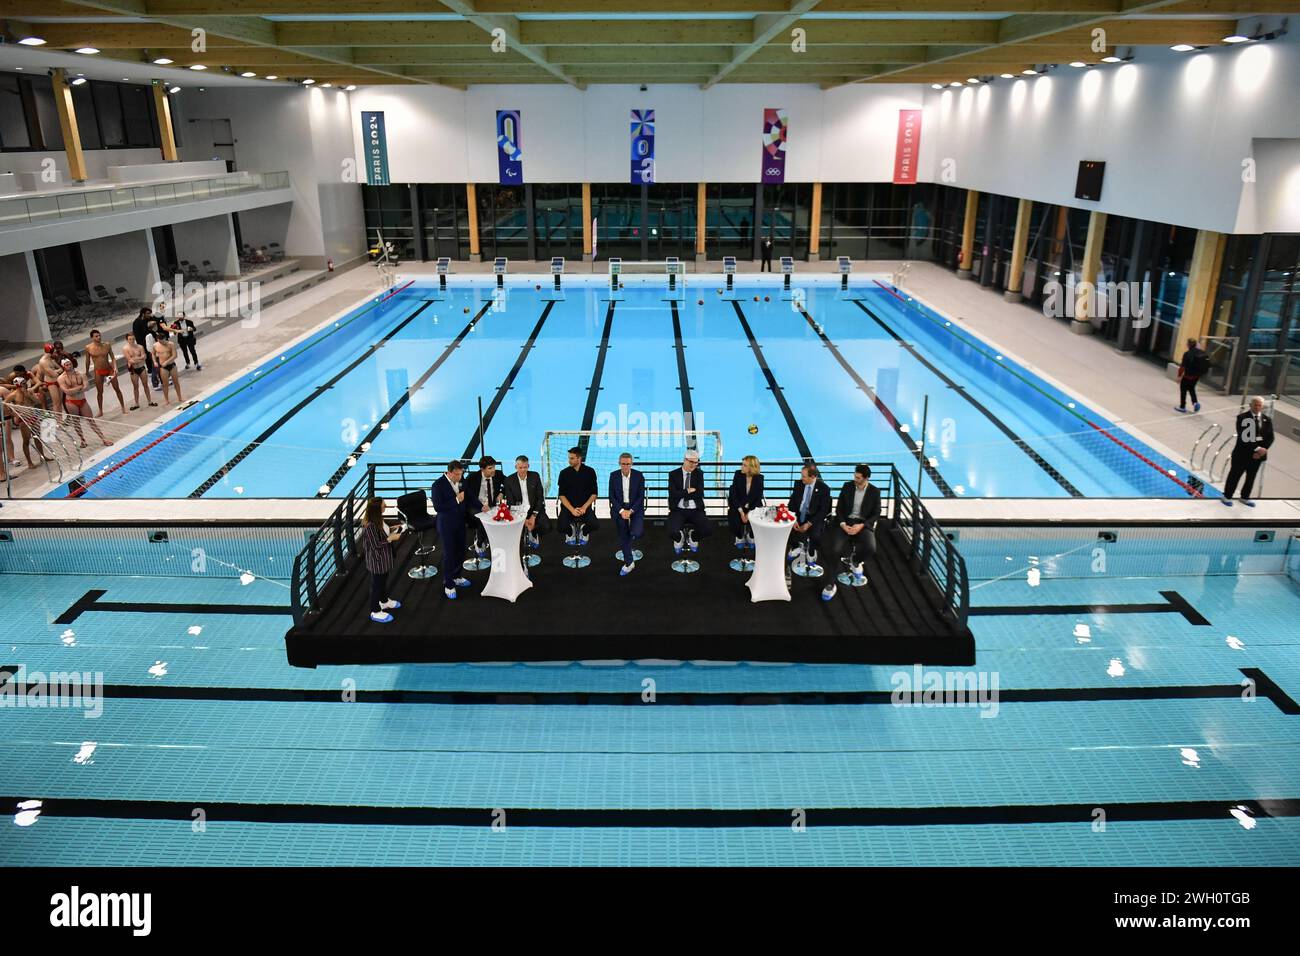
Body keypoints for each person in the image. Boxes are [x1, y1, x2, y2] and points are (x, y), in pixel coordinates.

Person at [821, 464, 881, 601]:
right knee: (834, 550)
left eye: (858, 477)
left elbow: (876, 513)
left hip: (862, 524)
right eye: (854, 476)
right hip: (844, 522)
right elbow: (839, 509)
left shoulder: (875, 492)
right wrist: (843, 524)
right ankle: (830, 584)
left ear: (866, 478)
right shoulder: (847, 486)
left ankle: (855, 560)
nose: (855, 479)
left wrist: (862, 525)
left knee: (871, 548)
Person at [1221, 396, 1274, 507]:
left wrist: (1263, 450)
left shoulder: (1267, 420)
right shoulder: (1242, 418)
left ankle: (1245, 497)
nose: (1257, 407)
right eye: (1255, 404)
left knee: (1251, 478)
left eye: (1259, 405)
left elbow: (1270, 437)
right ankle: (1227, 496)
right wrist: (1257, 449)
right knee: (1235, 476)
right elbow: (1244, 437)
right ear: (1250, 405)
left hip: (1258, 457)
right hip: (1242, 454)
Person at [431, 459, 472, 598]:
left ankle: (457, 576)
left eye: (461, 474)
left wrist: (481, 506)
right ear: (449, 472)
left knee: (461, 551)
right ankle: (449, 584)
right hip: (446, 525)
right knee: (449, 554)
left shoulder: (461, 480)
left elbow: (469, 495)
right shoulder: (437, 485)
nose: (460, 477)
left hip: (460, 522)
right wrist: (456, 500)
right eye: (457, 474)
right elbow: (438, 507)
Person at [360, 496, 403, 623]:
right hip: (377, 561)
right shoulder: (370, 526)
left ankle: (383, 601)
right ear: (377, 508)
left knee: (383, 581)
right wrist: (391, 539)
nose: (386, 506)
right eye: (383, 505)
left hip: (384, 559)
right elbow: (376, 545)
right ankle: (375, 611)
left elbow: (384, 532)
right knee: (377, 586)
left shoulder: (379, 519)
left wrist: (395, 528)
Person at [56, 358, 113, 448]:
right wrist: (79, 387)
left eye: (70, 364)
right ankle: (82, 440)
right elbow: (67, 392)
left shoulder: (81, 374)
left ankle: (104, 439)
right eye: (66, 365)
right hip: (71, 402)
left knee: (91, 421)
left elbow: (87, 387)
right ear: (63, 366)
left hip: (82, 400)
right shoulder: (61, 378)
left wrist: (74, 389)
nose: (69, 366)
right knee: (76, 422)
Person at [787, 463, 831, 569]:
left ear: (812, 477)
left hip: (814, 517)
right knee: (786, 529)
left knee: (815, 535)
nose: (801, 478)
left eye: (804, 476)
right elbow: (791, 504)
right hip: (799, 515)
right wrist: (794, 519)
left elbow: (823, 511)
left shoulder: (824, 489)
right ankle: (796, 546)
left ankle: (811, 551)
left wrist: (809, 523)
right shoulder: (798, 484)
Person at [667, 448, 712, 554]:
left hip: (696, 509)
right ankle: (680, 538)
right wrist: (688, 490)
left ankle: (693, 536)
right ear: (684, 460)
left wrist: (682, 493)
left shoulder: (699, 474)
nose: (693, 465)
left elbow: (700, 493)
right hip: (678, 510)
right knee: (671, 532)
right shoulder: (673, 474)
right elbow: (672, 494)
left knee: (708, 530)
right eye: (691, 462)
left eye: (696, 462)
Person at [503, 454, 550, 553]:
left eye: (525, 467)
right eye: (520, 467)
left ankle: (534, 533)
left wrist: (533, 516)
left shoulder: (535, 476)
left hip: (534, 509)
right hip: (518, 511)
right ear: (516, 467)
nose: (523, 470)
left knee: (547, 526)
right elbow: (511, 503)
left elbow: (540, 498)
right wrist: (523, 520)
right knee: (514, 533)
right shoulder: (509, 480)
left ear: (528, 466)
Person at [609, 452, 646, 576]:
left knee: (636, 532)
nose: (625, 466)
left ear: (632, 464)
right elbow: (611, 496)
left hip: (635, 508)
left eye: (628, 464)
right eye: (623, 464)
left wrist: (630, 511)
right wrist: (621, 511)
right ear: (619, 463)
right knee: (623, 535)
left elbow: (641, 497)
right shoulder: (613, 476)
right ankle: (629, 563)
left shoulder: (639, 476)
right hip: (620, 509)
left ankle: (630, 540)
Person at [463, 455, 504, 560]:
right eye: (490, 468)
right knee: (483, 520)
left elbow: (509, 484)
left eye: (494, 467)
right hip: (475, 506)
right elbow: (467, 496)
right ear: (482, 469)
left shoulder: (498, 474)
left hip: (492, 506)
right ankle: (479, 542)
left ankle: (494, 541)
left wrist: (502, 493)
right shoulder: (472, 478)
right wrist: (481, 506)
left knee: (503, 517)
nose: (493, 470)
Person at [557, 446, 598, 545]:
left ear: (579, 459)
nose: (569, 460)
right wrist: (572, 509)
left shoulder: (590, 471)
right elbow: (561, 495)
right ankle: (570, 532)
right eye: (569, 458)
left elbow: (594, 494)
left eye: (572, 458)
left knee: (595, 525)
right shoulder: (563, 473)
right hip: (568, 508)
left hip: (585, 507)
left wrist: (584, 507)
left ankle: (584, 531)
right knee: (560, 527)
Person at [84, 329, 127, 417]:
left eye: (99, 335)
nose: (99, 337)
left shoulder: (106, 345)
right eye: (96, 336)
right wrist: (87, 371)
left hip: (109, 369)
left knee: (117, 389)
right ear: (92, 338)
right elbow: (87, 361)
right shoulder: (88, 347)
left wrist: (115, 368)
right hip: (98, 371)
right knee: (100, 392)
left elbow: (113, 357)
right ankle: (100, 411)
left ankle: (123, 407)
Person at [727, 455, 765, 548]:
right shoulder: (738, 474)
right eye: (742, 464)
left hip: (752, 505)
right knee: (734, 518)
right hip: (738, 505)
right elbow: (734, 494)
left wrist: (748, 513)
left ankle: (751, 535)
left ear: (751, 468)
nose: (741, 467)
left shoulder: (759, 478)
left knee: (758, 517)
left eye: (744, 465)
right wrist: (741, 512)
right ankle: (739, 536)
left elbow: (758, 498)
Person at [122, 333, 157, 410]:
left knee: (145, 385)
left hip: (141, 368)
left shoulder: (140, 347)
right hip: (133, 370)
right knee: (135, 387)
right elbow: (130, 360)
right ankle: (136, 403)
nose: (132, 341)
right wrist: (139, 358)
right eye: (130, 339)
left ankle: (150, 401)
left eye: (133, 339)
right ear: (127, 340)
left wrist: (136, 358)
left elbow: (145, 357)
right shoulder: (125, 349)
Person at [151, 326, 184, 405]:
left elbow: (175, 355)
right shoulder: (155, 345)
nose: (161, 343)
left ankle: (179, 397)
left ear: (165, 338)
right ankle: (166, 400)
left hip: (172, 365)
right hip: (163, 367)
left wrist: (167, 361)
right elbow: (153, 354)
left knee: (176, 382)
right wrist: (155, 362)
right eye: (159, 341)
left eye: (162, 341)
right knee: (165, 384)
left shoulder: (170, 344)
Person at [1175, 337, 1207, 413]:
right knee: (1191, 388)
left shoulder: (1187, 354)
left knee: (1183, 389)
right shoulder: (1200, 352)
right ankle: (1195, 403)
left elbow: (1182, 367)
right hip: (1196, 376)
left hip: (1187, 376)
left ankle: (1182, 406)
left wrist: (1179, 376)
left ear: (1188, 345)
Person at [131, 308, 159, 389]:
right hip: (144, 342)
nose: (149, 315)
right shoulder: (137, 322)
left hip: (151, 340)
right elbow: (138, 334)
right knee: (150, 360)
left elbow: (153, 325)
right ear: (143, 313)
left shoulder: (149, 319)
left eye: (150, 313)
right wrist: (141, 346)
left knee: (155, 360)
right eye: (147, 313)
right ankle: (151, 373)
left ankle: (155, 374)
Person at [35, 343, 65, 416]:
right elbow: (54, 374)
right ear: (51, 351)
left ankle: (60, 420)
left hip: (57, 381)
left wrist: (56, 371)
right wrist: (56, 371)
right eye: (54, 350)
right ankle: (58, 422)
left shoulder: (50, 359)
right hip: (51, 384)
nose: (55, 351)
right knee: (56, 403)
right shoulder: (43, 362)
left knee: (60, 402)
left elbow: (61, 369)